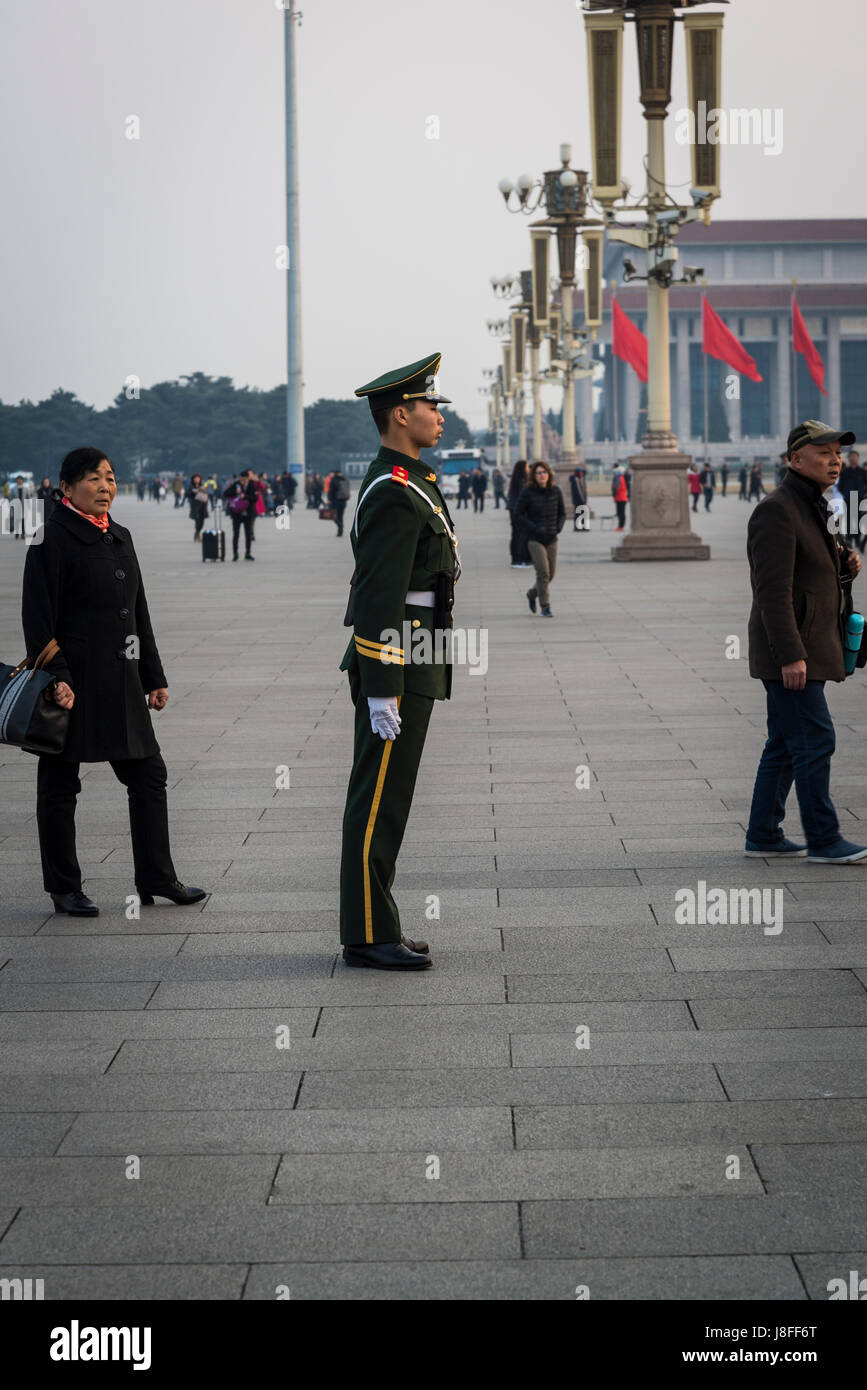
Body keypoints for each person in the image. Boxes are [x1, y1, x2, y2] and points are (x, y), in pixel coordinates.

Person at [21, 447, 206, 916]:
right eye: (93, 479)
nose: (105, 486)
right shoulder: (50, 538)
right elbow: (38, 619)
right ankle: (65, 887)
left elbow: (138, 614)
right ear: (66, 488)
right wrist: (56, 676)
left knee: (149, 776)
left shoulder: (119, 536)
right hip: (72, 684)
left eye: (110, 477)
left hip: (121, 682)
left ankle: (157, 877)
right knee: (61, 785)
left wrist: (153, 675)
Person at [339, 352, 459, 970]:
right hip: (398, 659)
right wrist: (381, 687)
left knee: (395, 796)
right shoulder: (393, 491)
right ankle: (365, 932)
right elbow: (376, 596)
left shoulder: (414, 480)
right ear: (399, 415)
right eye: (429, 405)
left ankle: (377, 919)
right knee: (377, 796)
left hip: (419, 651)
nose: (438, 415)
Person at [745, 419, 867, 864]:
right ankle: (824, 838)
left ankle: (763, 833)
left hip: (806, 645)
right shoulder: (778, 509)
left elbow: (808, 573)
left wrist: (845, 565)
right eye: (823, 452)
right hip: (792, 652)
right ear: (795, 460)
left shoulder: (812, 505)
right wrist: (791, 655)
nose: (834, 460)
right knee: (816, 738)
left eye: (837, 452)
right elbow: (772, 592)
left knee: (784, 742)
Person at [515, 461, 566, 618]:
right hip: (535, 538)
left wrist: (558, 527)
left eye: (544, 472)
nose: (542, 475)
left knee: (551, 575)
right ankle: (545, 606)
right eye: (538, 473)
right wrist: (532, 528)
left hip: (552, 538)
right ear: (534, 476)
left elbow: (562, 513)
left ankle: (532, 593)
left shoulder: (556, 491)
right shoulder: (527, 492)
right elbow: (518, 514)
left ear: (549, 474)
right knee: (543, 572)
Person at [222, 469, 259, 561]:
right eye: (241, 479)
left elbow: (255, 498)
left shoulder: (252, 485)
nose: (243, 481)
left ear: (248, 478)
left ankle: (248, 553)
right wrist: (236, 492)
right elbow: (225, 494)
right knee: (236, 534)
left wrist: (245, 496)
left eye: (245, 479)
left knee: (248, 535)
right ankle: (235, 554)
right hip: (237, 514)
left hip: (248, 513)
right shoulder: (236, 485)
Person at [507, 459, 531, 566]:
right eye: (527, 467)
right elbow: (524, 498)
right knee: (522, 535)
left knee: (516, 534)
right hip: (519, 511)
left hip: (513, 510)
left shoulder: (516, 480)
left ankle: (515, 558)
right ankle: (521, 558)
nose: (528, 469)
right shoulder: (522, 481)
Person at [185, 473, 209, 542]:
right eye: (195, 478)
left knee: (202, 522)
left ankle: (197, 532)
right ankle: (198, 534)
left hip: (203, 506)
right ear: (193, 479)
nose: (197, 480)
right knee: (197, 521)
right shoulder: (191, 487)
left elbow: (207, 494)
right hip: (195, 506)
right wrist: (194, 492)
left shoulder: (203, 486)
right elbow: (188, 495)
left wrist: (204, 490)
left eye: (198, 478)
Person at [327, 468, 350, 537]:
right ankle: (340, 531)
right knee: (340, 515)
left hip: (335, 501)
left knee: (334, 516)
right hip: (343, 501)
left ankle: (340, 525)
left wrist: (329, 499)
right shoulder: (345, 479)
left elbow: (331, 491)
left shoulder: (333, 480)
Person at [569, 466, 588, 531]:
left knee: (580, 513)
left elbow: (585, 474)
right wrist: (583, 500)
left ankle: (581, 527)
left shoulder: (576, 478)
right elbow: (579, 492)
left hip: (578, 500)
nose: (582, 474)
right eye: (581, 472)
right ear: (578, 473)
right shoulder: (576, 480)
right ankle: (579, 527)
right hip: (579, 500)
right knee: (579, 513)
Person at [612, 466, 629, 530]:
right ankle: (621, 526)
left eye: (616, 471)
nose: (615, 472)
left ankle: (621, 526)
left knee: (621, 513)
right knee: (621, 513)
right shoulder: (621, 477)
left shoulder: (619, 478)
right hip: (621, 497)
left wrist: (614, 494)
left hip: (620, 498)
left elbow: (616, 488)